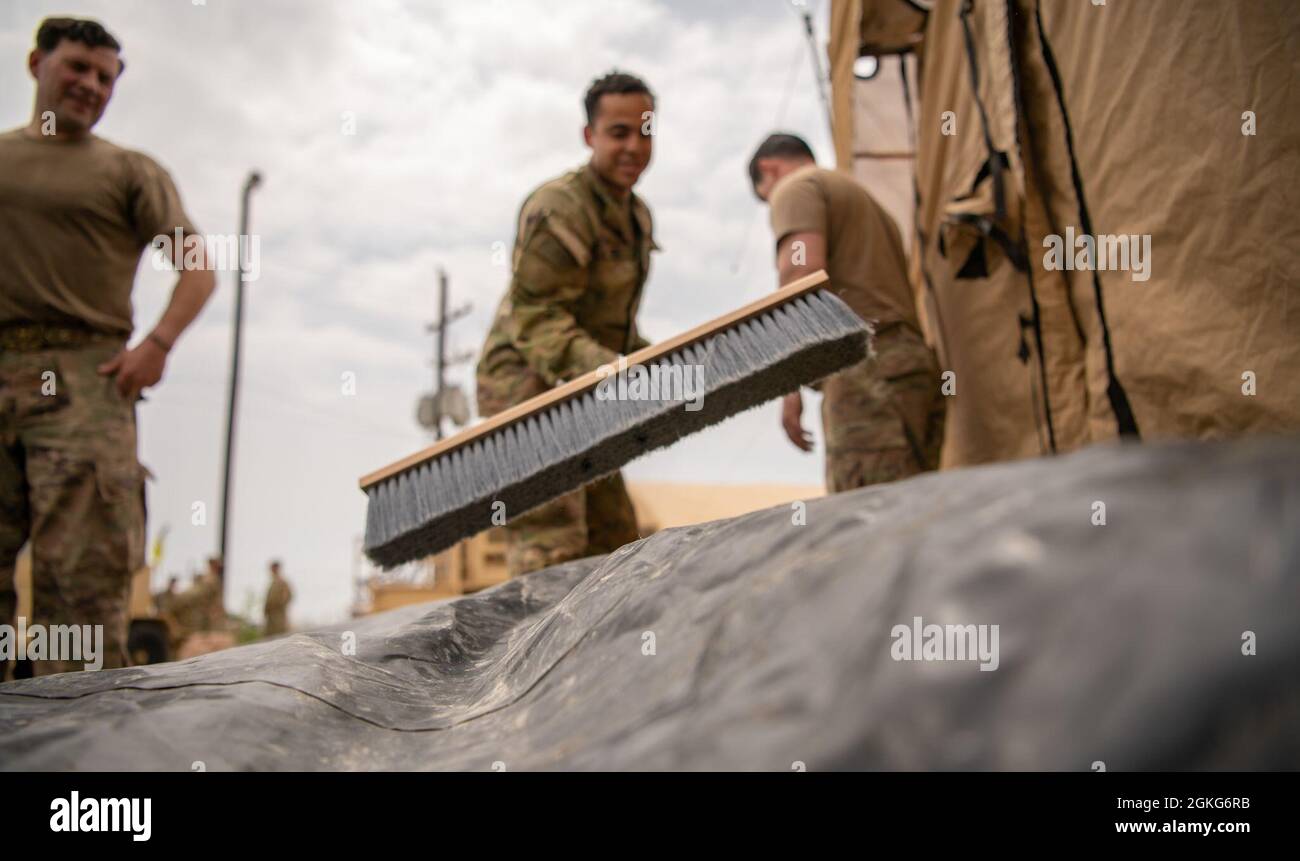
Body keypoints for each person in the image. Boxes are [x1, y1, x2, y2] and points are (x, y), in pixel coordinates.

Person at [0, 18, 215, 677]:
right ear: (37, 62)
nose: (90, 85)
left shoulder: (127, 172)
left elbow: (198, 266)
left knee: (82, 593)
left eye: (104, 77)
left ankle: (81, 761)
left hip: (87, 384)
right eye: (76, 68)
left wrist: (157, 343)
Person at [475, 70, 658, 577]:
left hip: (587, 381)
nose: (633, 146)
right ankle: (536, 654)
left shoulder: (637, 217)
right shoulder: (559, 207)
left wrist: (666, 362)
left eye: (644, 131)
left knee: (614, 542)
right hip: (525, 384)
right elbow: (535, 319)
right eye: (618, 133)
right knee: (552, 544)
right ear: (589, 136)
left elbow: (614, 327)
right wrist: (613, 370)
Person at [749, 133, 945, 491]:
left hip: (865, 372)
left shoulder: (795, 187)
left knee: (866, 517)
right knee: (917, 512)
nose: (772, 205)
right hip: (913, 365)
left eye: (766, 197)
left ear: (768, 169)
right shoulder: (866, 202)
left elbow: (802, 274)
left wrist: (787, 379)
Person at [263, 560, 292, 637]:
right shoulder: (273, 582)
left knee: (279, 637)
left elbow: (288, 596)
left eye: (274, 568)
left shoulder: (282, 582)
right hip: (271, 617)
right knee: (270, 638)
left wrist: (278, 605)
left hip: (278, 617)